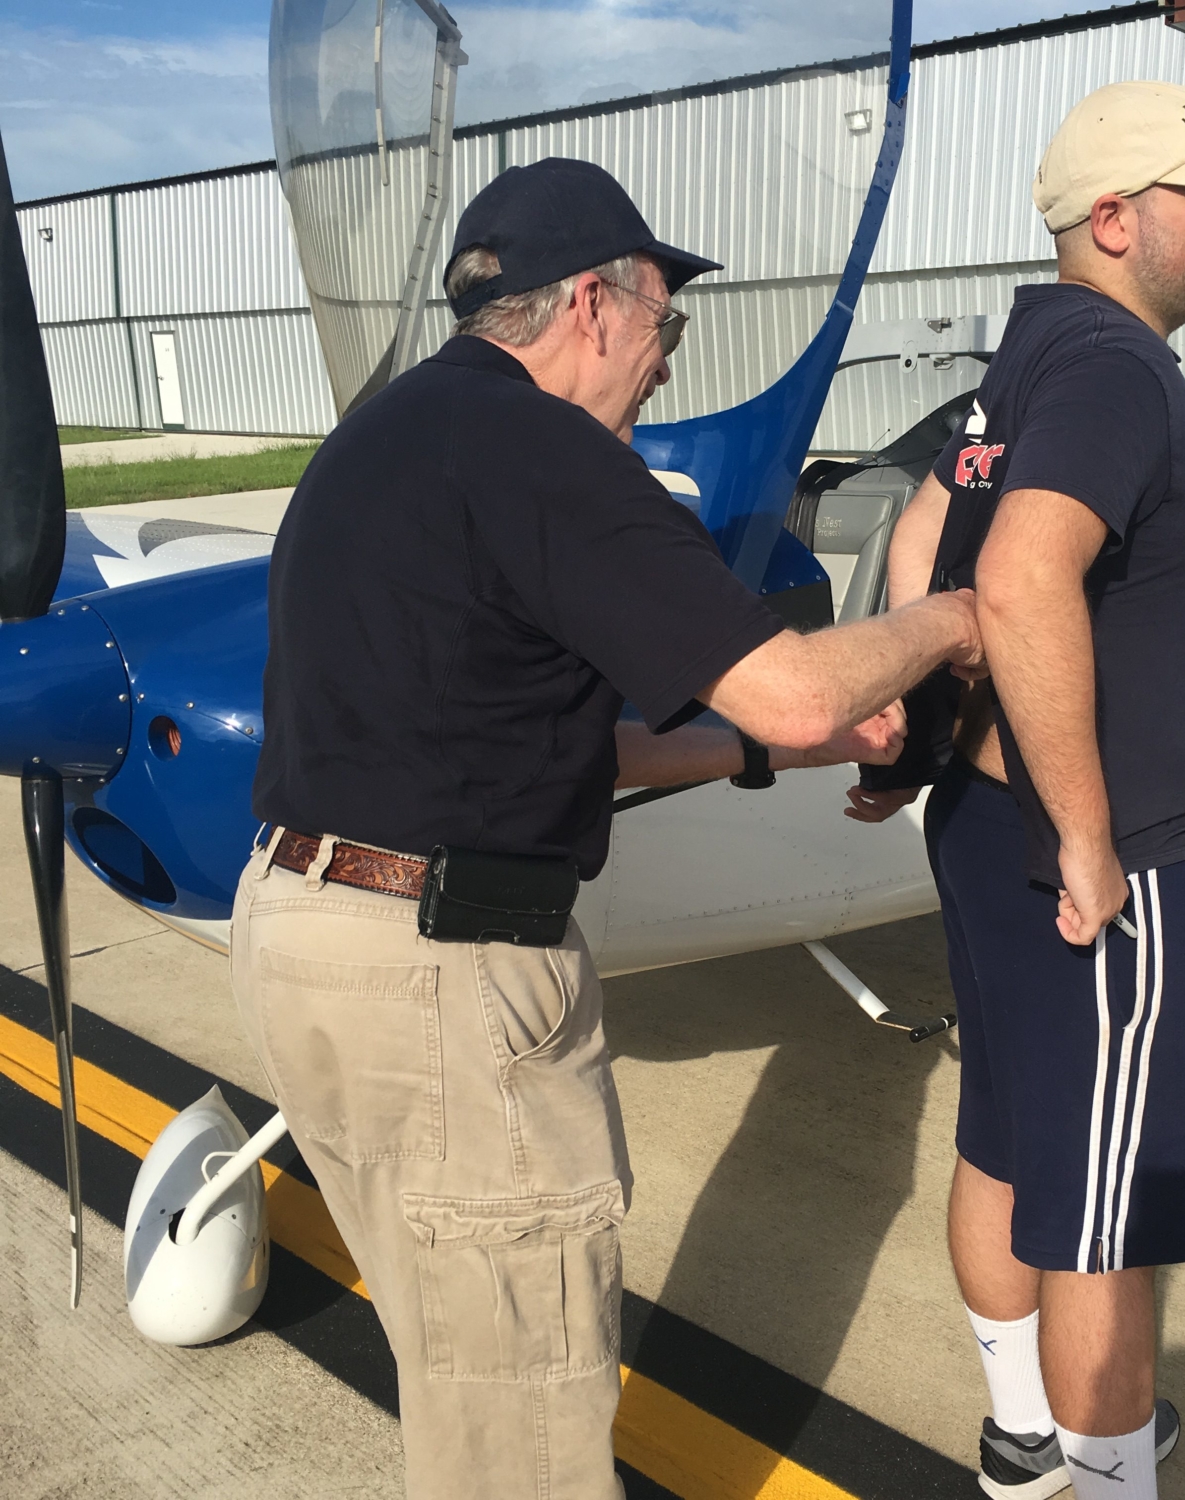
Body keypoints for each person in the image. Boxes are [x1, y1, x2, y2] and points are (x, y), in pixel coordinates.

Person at [229, 156, 982, 1500]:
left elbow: (542, 741)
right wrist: (959, 620)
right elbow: (803, 678)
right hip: (446, 985)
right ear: (588, 302)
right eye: (664, 327)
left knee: (465, 1393)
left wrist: (756, 747)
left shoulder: (386, 440)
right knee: (524, 1431)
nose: (665, 366)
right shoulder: (546, 453)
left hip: (304, 948)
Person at [846, 83, 1185, 1500]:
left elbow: (929, 529)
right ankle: (1107, 1472)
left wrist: (914, 730)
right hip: (1090, 860)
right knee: (1112, 1213)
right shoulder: (1113, 370)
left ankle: (1022, 1431)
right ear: (1114, 222)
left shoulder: (1026, 361)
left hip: (987, 830)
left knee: (1008, 1131)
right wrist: (1097, 840)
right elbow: (1019, 572)